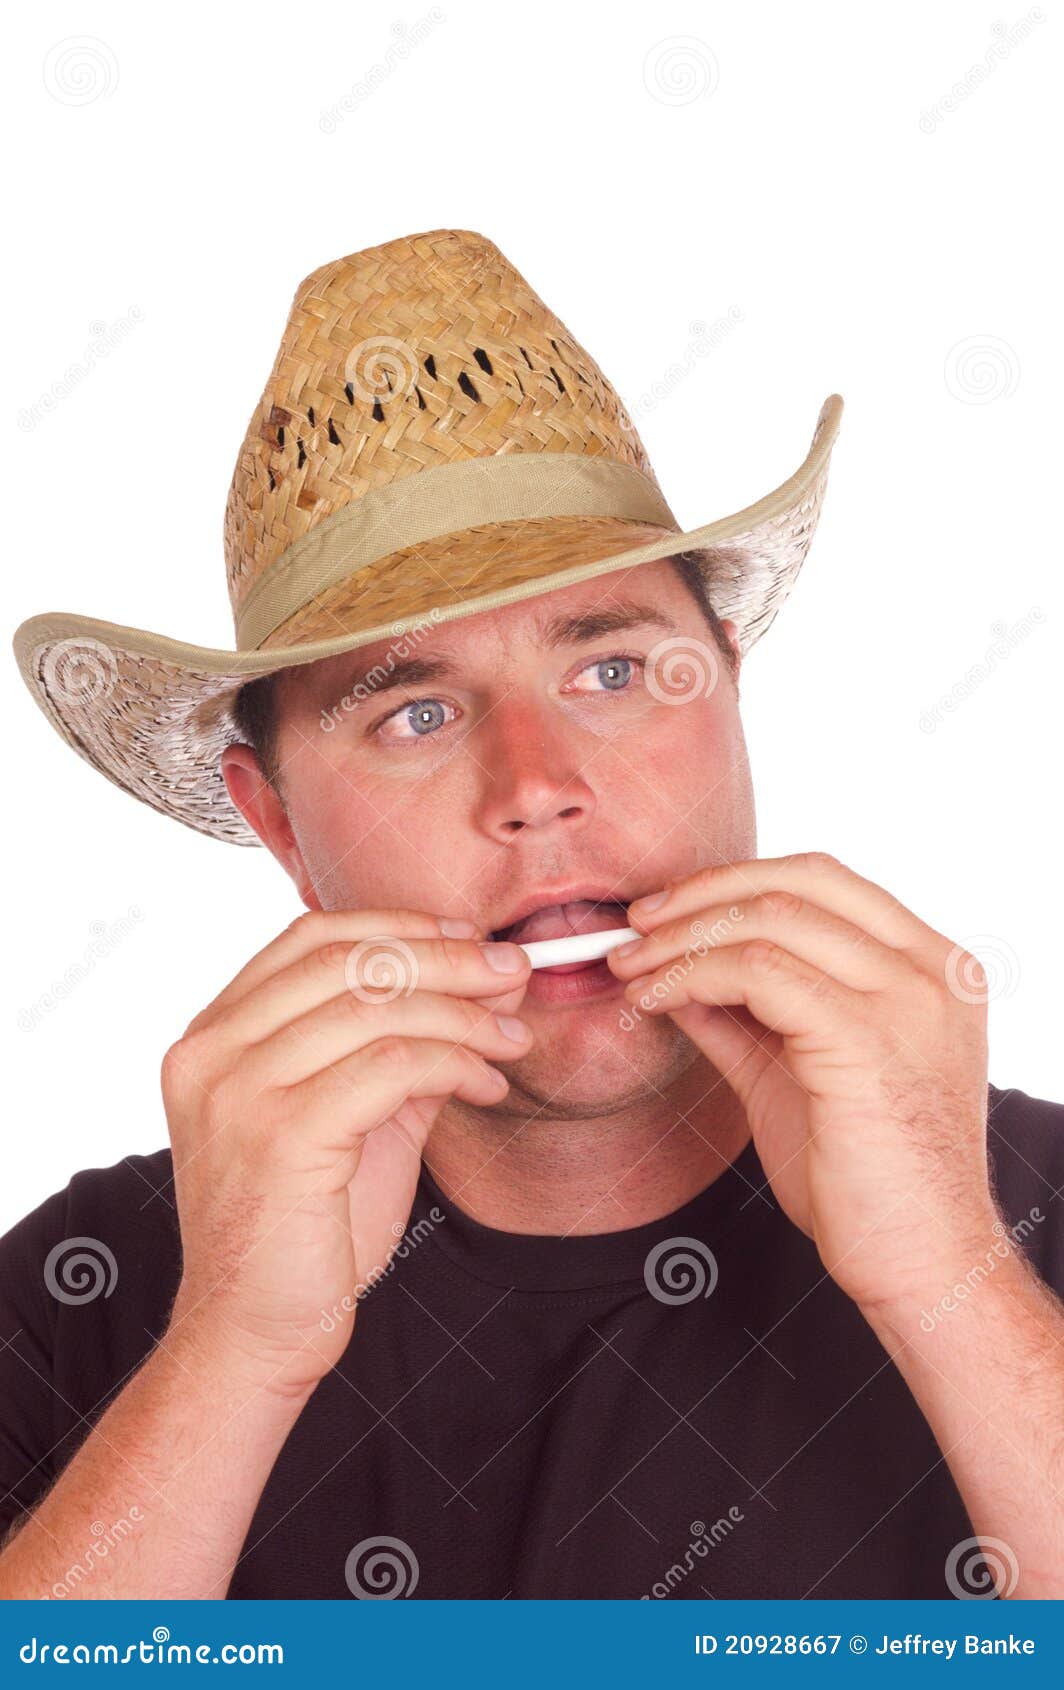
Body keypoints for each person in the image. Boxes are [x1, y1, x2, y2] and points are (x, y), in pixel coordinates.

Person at [4, 230, 1062, 1601]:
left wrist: (950, 1275)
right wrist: (234, 1349)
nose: (540, 787)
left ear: (726, 687)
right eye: (418, 713)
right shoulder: (81, 1304)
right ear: (276, 822)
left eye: (614, 667)